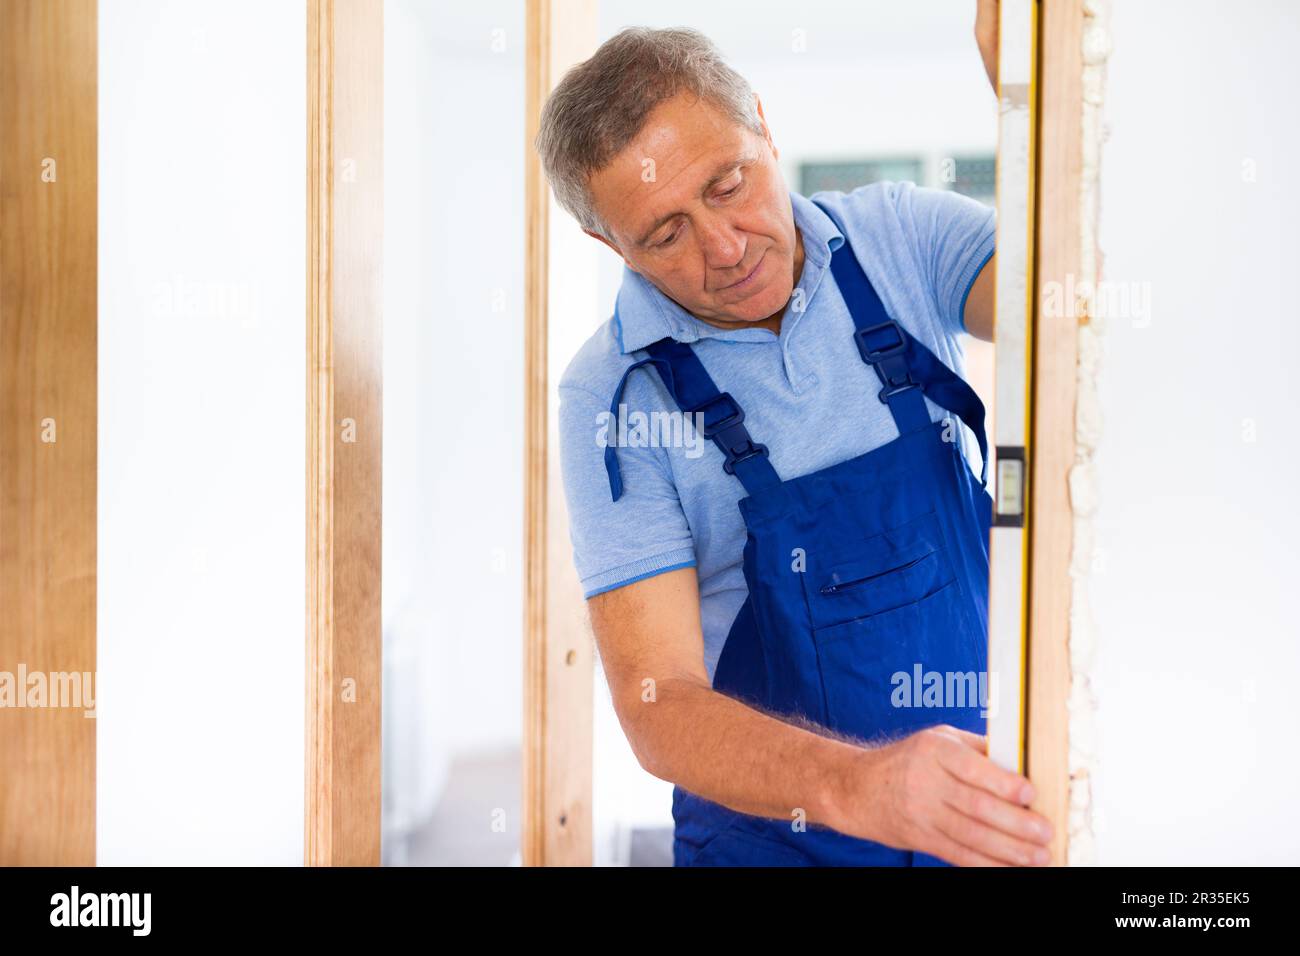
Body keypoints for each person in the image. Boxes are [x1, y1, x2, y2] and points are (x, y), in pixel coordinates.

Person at [534, 13, 1054, 866]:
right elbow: (658, 704)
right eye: (664, 235)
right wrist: (864, 789)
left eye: (729, 183)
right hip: (774, 847)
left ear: (765, 128)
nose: (726, 247)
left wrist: (1031, 103)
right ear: (607, 244)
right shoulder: (616, 392)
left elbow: (1072, 312)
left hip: (978, 810)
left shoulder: (899, 241)